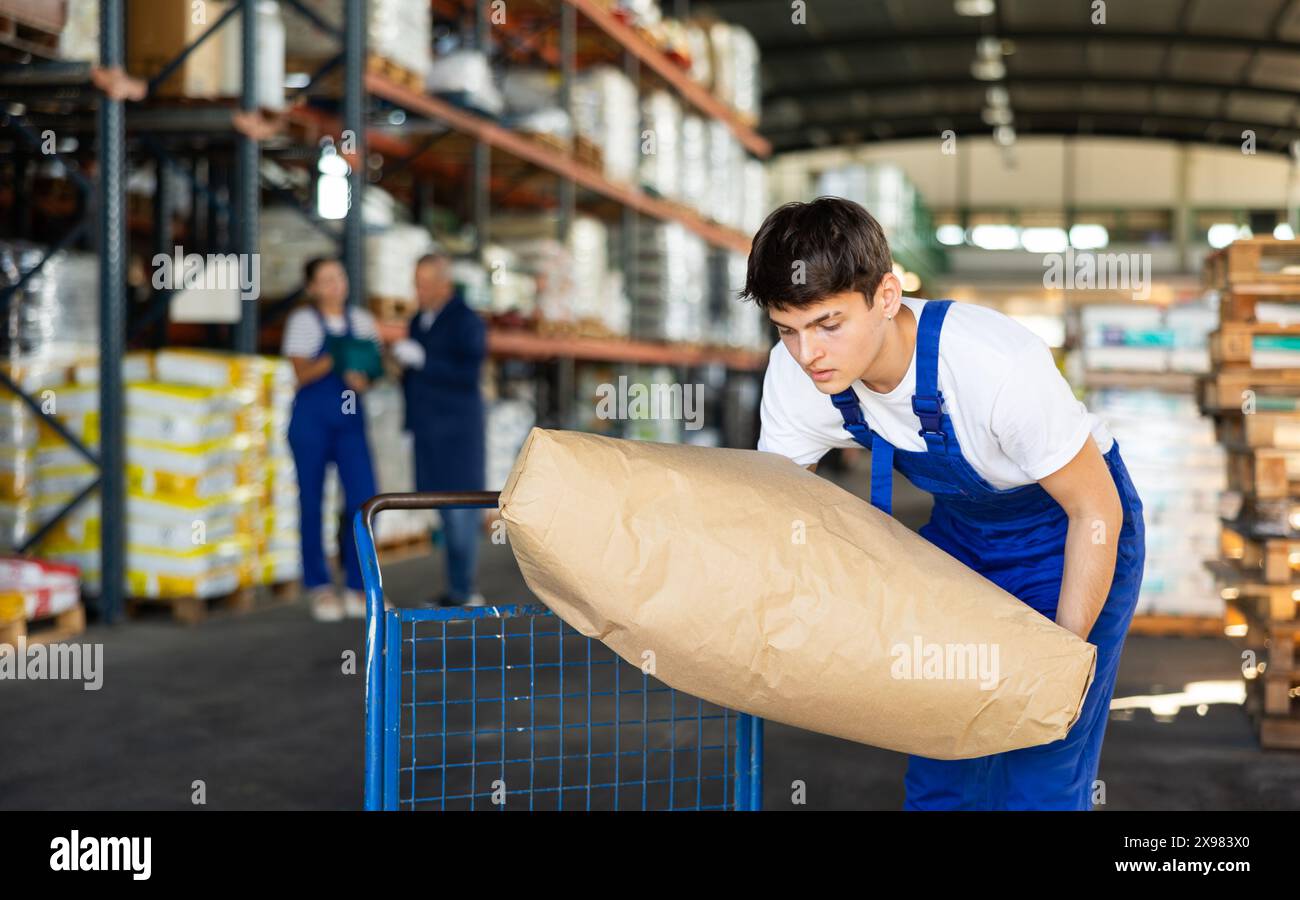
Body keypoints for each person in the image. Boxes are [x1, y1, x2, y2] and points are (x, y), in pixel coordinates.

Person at [743, 197, 1145, 811]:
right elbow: (778, 512)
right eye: (787, 329)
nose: (808, 354)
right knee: (944, 753)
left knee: (1037, 766)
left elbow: (1096, 512)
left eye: (828, 324)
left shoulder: (994, 365)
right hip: (963, 537)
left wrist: (1059, 657)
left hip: (1069, 532)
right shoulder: (797, 376)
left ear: (886, 295)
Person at [282, 257, 381, 621]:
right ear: (312, 288)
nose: (334, 285)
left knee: (364, 498)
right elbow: (300, 372)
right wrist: (333, 359)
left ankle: (358, 587)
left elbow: (373, 370)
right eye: (325, 280)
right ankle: (319, 586)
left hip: (351, 420)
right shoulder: (303, 323)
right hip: (312, 422)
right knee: (312, 501)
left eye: (338, 276)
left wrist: (362, 379)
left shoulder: (364, 322)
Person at [391, 251, 487, 607]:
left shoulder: (466, 321)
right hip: (428, 430)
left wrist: (425, 361)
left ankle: (466, 590)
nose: (419, 290)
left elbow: (468, 375)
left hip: (458, 433)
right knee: (444, 512)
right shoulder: (419, 321)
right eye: (417, 283)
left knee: (461, 511)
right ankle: (456, 590)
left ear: (445, 284)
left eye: (426, 283)